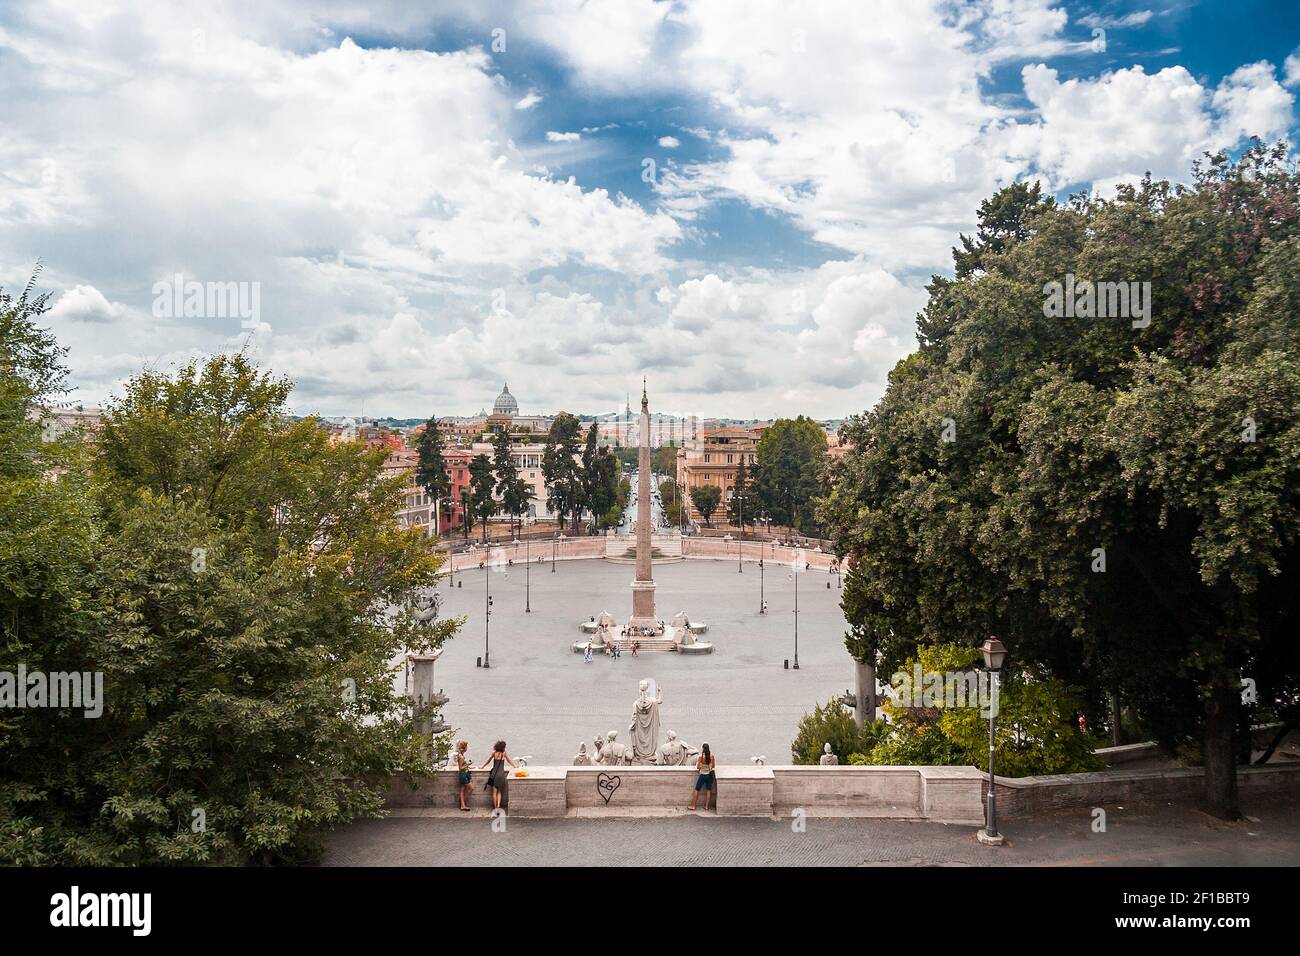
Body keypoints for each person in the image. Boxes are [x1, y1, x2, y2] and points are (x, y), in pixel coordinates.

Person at [479, 740, 516, 811]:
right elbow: (509, 761)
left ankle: (495, 807)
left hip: (494, 775)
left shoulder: (494, 753)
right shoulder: (504, 754)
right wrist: (514, 766)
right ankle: (499, 805)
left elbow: (488, 761)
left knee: (494, 792)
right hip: (501, 774)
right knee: (499, 791)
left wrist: (482, 766)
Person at [688, 743, 716, 811]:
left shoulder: (701, 757)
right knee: (708, 790)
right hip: (709, 775)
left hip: (703, 775)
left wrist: (701, 766)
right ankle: (706, 806)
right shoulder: (712, 756)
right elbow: (713, 766)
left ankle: (693, 805)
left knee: (697, 789)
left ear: (703, 748)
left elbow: (697, 767)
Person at [454, 739, 474, 811]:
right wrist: (468, 764)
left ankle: (462, 805)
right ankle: (463, 803)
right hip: (463, 775)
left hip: (463, 774)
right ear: (464, 747)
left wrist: (468, 765)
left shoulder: (461, 755)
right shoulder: (461, 756)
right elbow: (460, 768)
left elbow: (462, 765)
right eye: (466, 746)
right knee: (471, 788)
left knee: (462, 790)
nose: (467, 748)